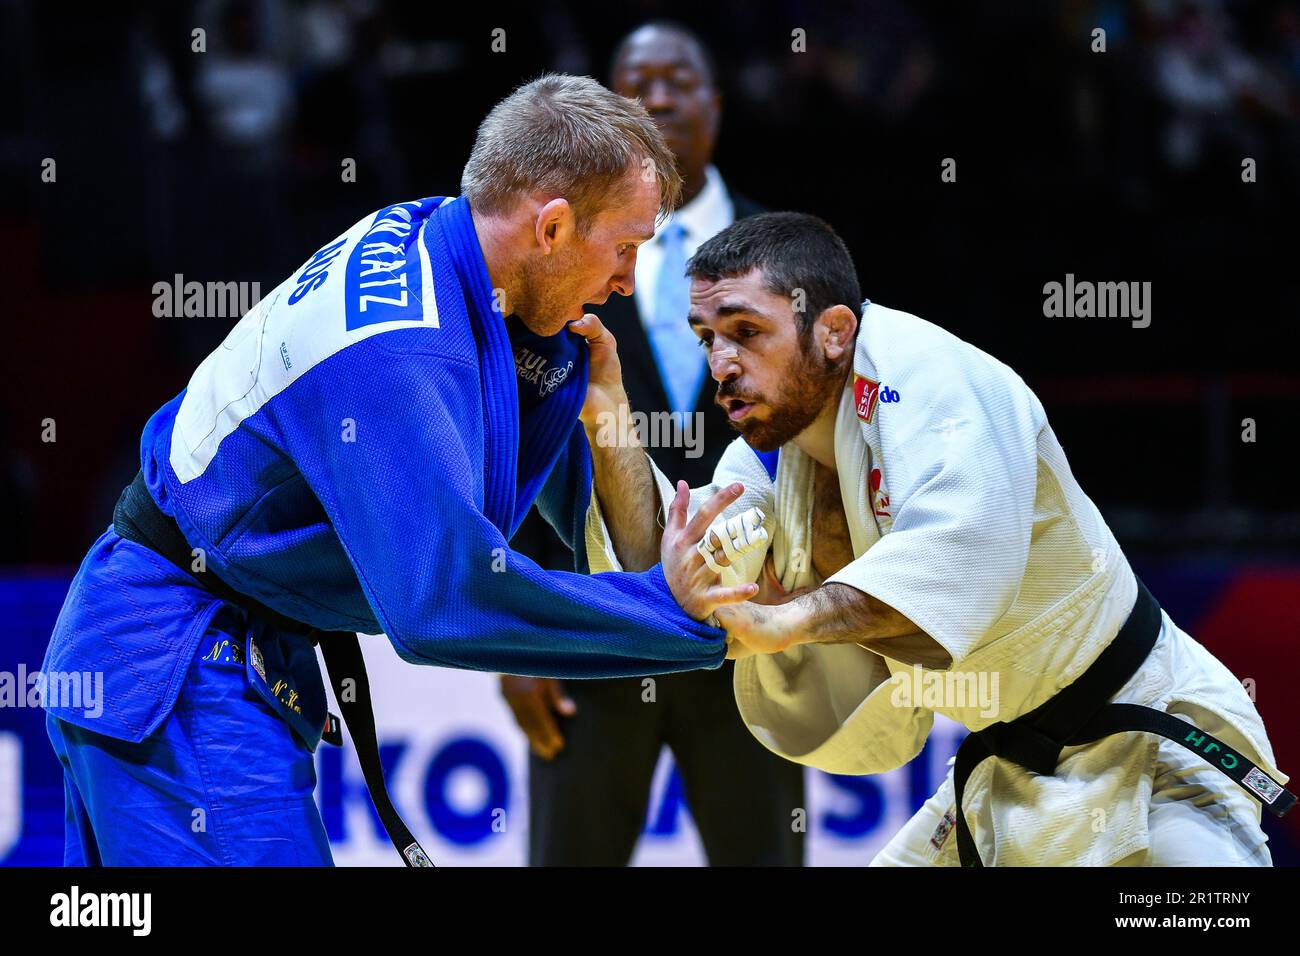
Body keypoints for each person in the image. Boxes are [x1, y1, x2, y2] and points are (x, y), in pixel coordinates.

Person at [40, 74, 758, 867]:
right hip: (176, 664)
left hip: (192, 649)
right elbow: (443, 604)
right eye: (624, 247)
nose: (626, 279)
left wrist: (610, 416)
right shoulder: (397, 348)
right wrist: (687, 624)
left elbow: (616, 537)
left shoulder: (463, 265)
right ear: (552, 227)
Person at [581, 211, 1293, 866]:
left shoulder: (929, 381)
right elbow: (664, 566)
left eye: (745, 331)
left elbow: (954, 574)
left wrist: (781, 620)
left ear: (832, 330)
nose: (722, 365)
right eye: (708, 339)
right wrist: (607, 414)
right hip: (1011, 771)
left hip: (1149, 739)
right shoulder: (775, 449)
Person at [501, 21, 804, 868]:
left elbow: (823, 438)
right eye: (639, 83)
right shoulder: (561, 253)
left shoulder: (787, 255)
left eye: (681, 80)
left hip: (752, 640)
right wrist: (519, 636)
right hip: (590, 635)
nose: (661, 97)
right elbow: (520, 438)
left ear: (716, 103)